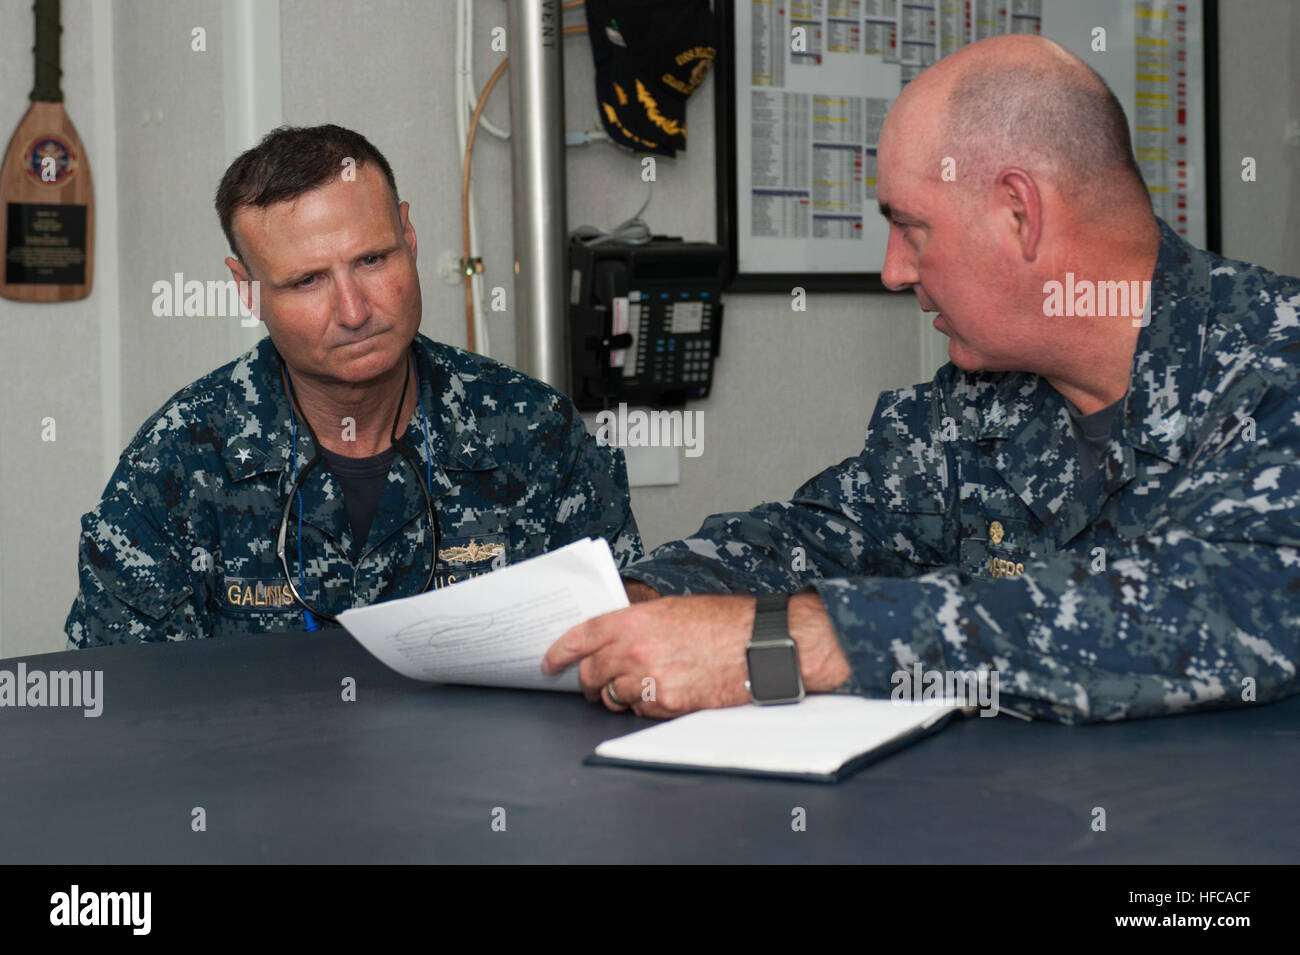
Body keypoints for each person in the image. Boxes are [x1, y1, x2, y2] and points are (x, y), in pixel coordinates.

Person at [543, 34, 1300, 723]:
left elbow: (1224, 603)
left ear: (1019, 211)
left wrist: (811, 637)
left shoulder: (1276, 362)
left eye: (912, 227)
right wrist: (646, 601)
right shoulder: (974, 403)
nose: (894, 269)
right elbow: (825, 536)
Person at [67, 125, 641, 647]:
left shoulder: (535, 431)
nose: (353, 310)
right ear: (248, 289)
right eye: (307, 281)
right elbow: (122, 707)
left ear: (409, 237)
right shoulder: (178, 462)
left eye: (371, 259)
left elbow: (623, 650)